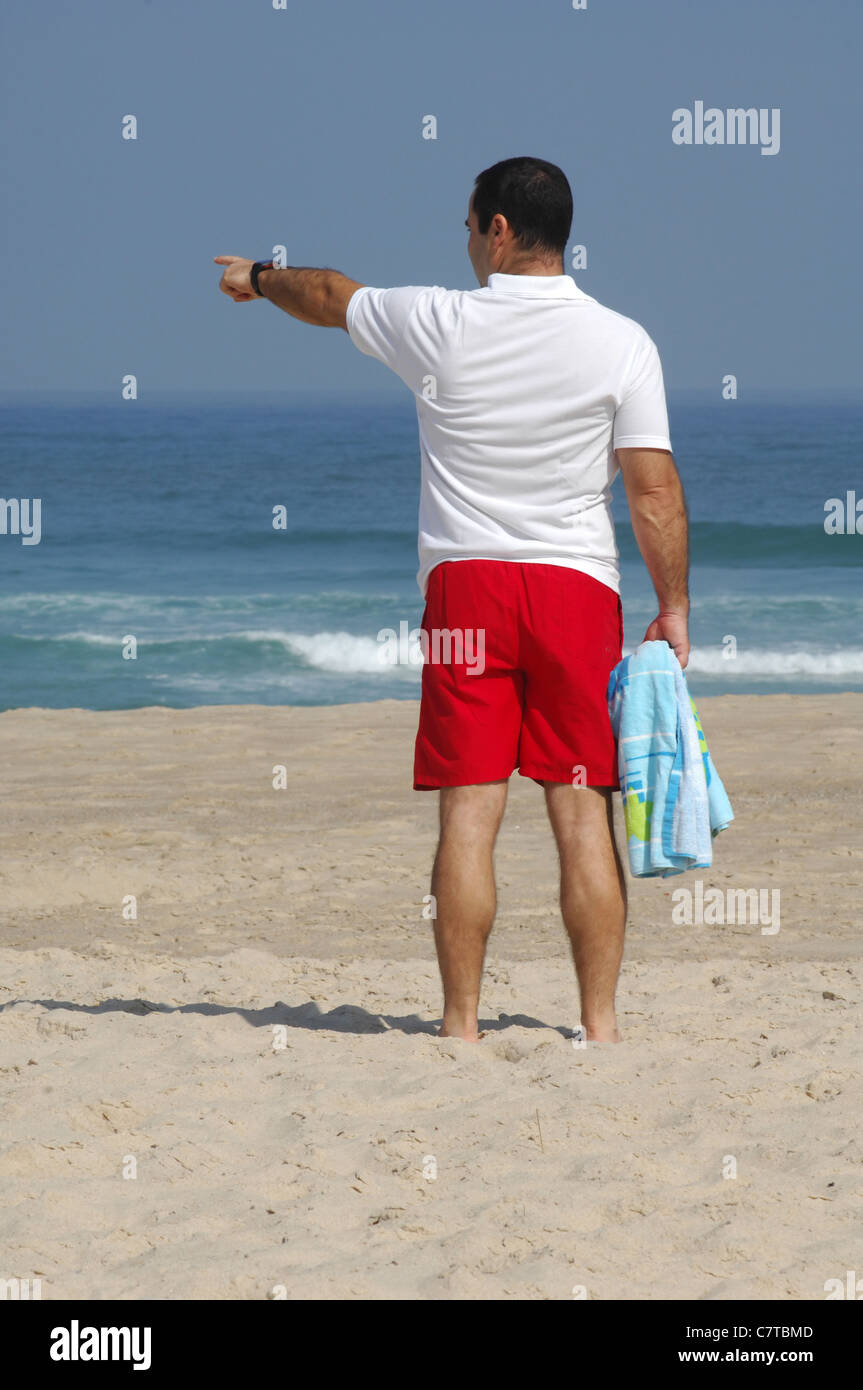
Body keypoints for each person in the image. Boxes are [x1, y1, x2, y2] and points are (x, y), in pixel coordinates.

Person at [214, 155, 689, 1044]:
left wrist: (257, 277)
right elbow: (651, 490)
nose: (465, 241)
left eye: (469, 225)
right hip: (574, 589)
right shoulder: (622, 340)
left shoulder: (436, 321)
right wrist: (674, 609)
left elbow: (326, 292)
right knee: (580, 807)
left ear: (499, 229)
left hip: (466, 589)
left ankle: (461, 1026)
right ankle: (599, 1025)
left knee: (469, 808)